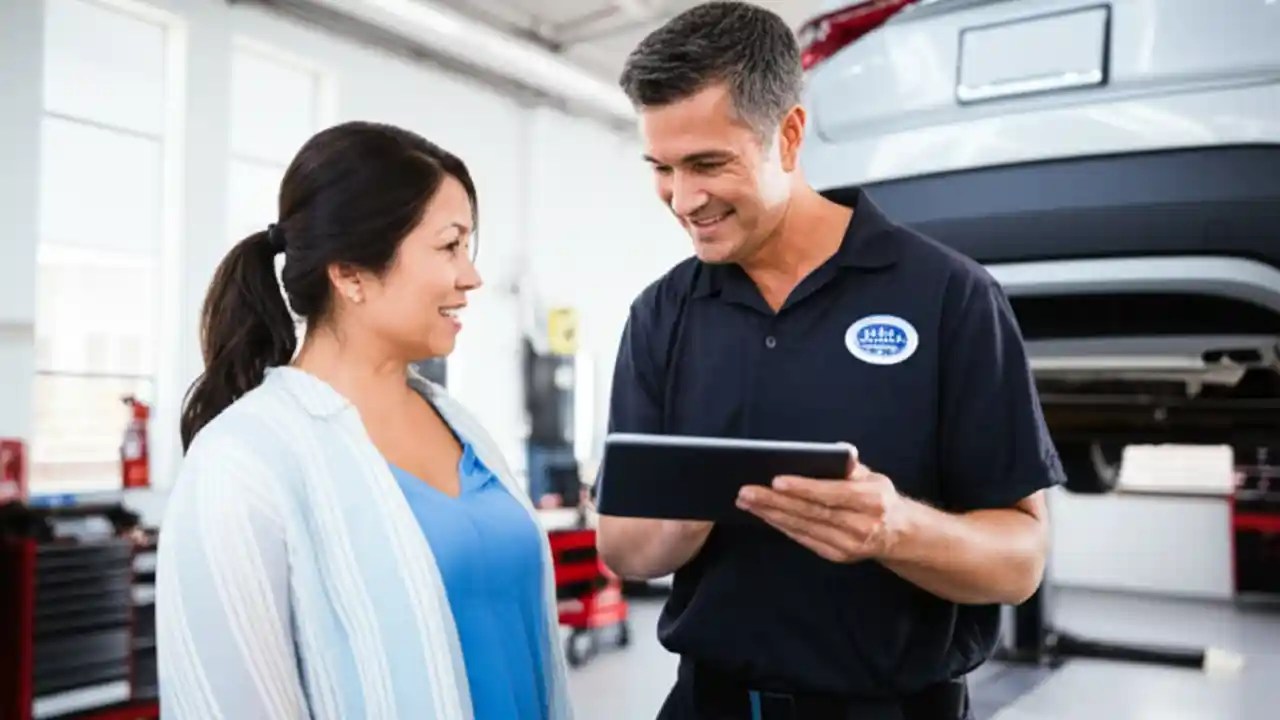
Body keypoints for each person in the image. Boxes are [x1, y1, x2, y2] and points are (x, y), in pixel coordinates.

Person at [595, 3, 1066, 719]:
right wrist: (695, 508)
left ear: (788, 136)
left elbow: (1020, 561)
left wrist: (893, 530)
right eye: (662, 167)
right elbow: (623, 551)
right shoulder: (662, 315)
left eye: (708, 164)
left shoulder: (948, 297)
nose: (683, 200)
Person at [156, 121, 572, 720]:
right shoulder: (243, 460)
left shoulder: (461, 427)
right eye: (450, 245)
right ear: (350, 273)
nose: (472, 276)